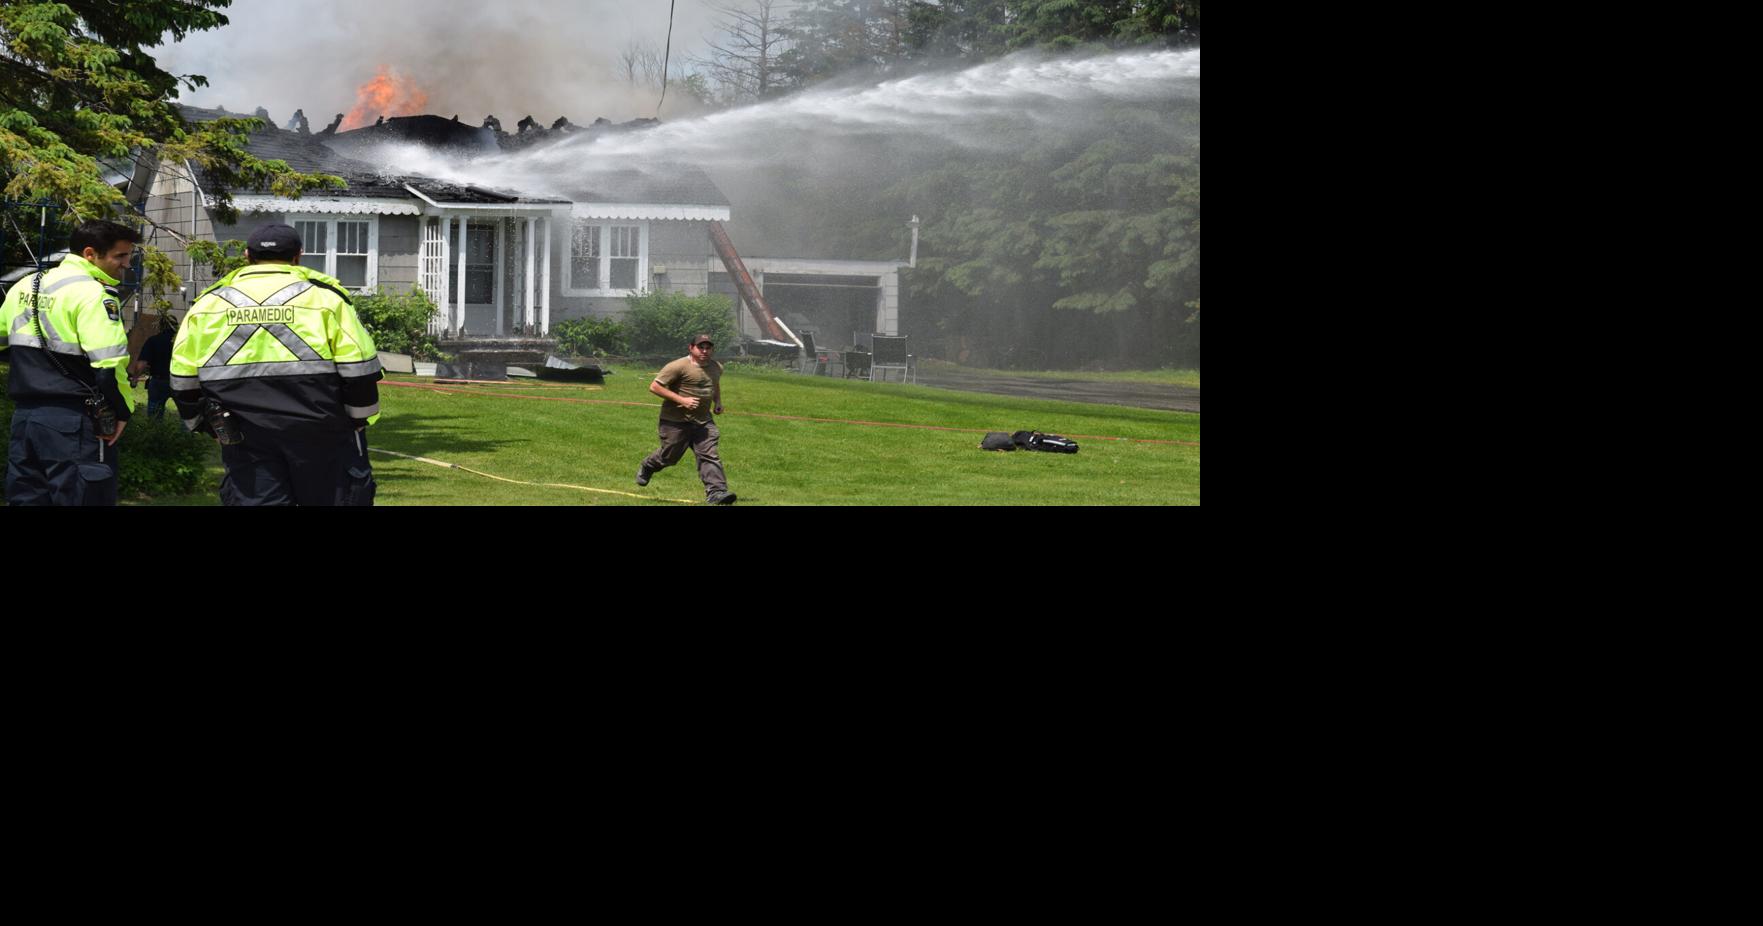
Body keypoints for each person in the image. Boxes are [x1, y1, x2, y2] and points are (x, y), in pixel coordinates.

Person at [169, 223, 382, 506]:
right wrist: (358, 420)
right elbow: (359, 370)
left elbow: (182, 379)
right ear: (299, 256)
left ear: (246, 255)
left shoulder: (207, 305)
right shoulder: (327, 299)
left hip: (243, 435)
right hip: (322, 433)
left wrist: (203, 425)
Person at [4, 219, 139, 505]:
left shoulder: (25, 286)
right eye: (120, 256)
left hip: (26, 420)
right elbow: (109, 366)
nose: (127, 264)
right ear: (90, 254)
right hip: (75, 422)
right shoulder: (94, 295)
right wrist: (123, 412)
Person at [636, 333, 736, 504]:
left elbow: (714, 384)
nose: (704, 351)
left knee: (709, 454)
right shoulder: (678, 366)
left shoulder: (716, 367)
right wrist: (682, 400)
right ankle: (649, 465)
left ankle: (716, 493)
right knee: (669, 457)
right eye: (700, 347)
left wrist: (718, 401)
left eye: (708, 347)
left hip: (703, 421)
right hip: (675, 421)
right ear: (691, 348)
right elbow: (654, 387)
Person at [130, 316, 176, 418]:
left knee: (154, 415)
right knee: (186, 415)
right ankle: (186, 433)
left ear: (160, 326)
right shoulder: (182, 342)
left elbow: (142, 363)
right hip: (180, 381)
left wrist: (134, 379)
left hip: (158, 380)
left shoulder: (154, 341)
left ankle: (155, 432)